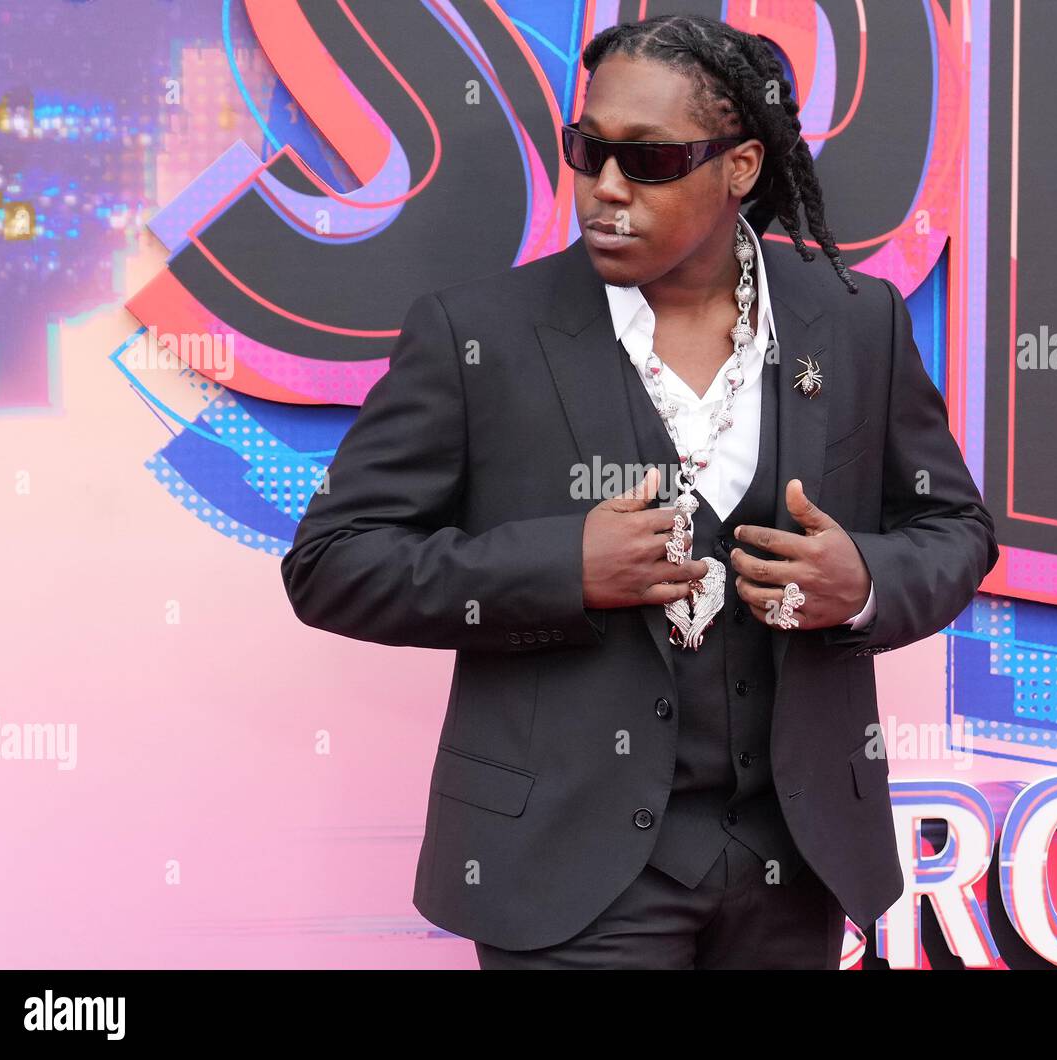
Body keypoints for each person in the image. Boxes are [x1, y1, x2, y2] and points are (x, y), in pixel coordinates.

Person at [280, 13, 998, 969]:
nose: (606, 189)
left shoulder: (856, 322)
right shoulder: (475, 335)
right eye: (589, 151)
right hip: (567, 871)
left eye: (649, 161)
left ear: (740, 166)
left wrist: (861, 580)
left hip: (794, 857)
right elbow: (331, 563)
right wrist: (560, 568)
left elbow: (955, 526)